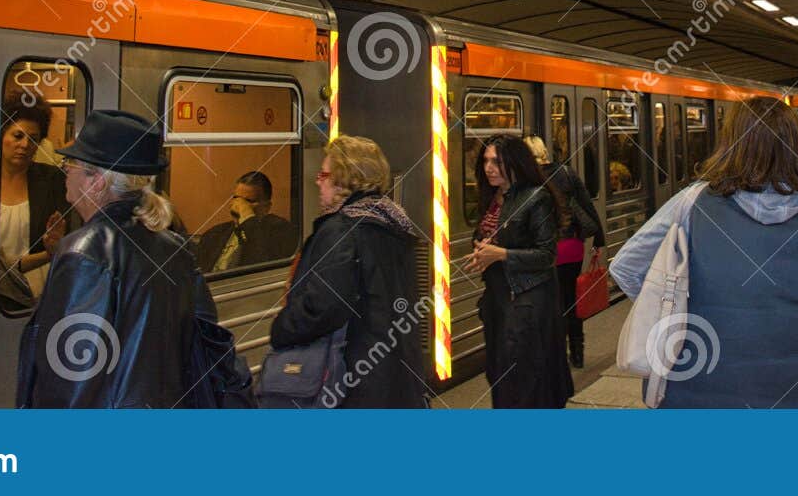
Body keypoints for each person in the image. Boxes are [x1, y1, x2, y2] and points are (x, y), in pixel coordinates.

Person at [17, 109, 246, 407]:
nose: (65, 171)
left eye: (71, 163)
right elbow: (205, 338)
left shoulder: (84, 253)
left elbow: (71, 378)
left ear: (97, 181)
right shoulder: (175, 246)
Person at [613, 97, 798, 408]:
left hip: (700, 384)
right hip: (797, 387)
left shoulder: (693, 204)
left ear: (732, 141)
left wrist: (670, 307)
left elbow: (625, 266)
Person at [269, 135, 429, 407]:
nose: (318, 181)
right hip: (394, 372)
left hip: (350, 377)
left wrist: (282, 328)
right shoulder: (393, 223)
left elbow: (324, 306)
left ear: (345, 180)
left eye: (324, 174)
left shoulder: (342, 231)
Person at [467, 134, 571, 408]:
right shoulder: (494, 197)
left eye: (496, 162)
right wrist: (483, 251)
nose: (488, 167)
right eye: (486, 161)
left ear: (514, 163)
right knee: (500, 373)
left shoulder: (536, 198)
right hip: (499, 301)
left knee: (524, 377)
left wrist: (500, 254)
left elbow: (546, 254)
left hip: (526, 302)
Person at [526, 135, 605, 368]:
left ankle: (555, 354)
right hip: (572, 247)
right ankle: (577, 352)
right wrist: (599, 238)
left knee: (549, 303)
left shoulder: (528, 181)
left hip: (545, 251)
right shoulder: (567, 173)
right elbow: (587, 204)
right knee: (570, 299)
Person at [0, 102, 70, 309]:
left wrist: (52, 250)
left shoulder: (53, 180)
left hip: (37, 292)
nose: (25, 145)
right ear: (1, 136)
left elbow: (65, 239)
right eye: (18, 136)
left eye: (33, 139)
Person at [196, 171, 299, 273]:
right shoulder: (214, 234)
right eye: (236, 198)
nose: (238, 205)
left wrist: (248, 218)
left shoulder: (281, 231)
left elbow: (265, 266)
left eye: (249, 201)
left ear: (266, 207)